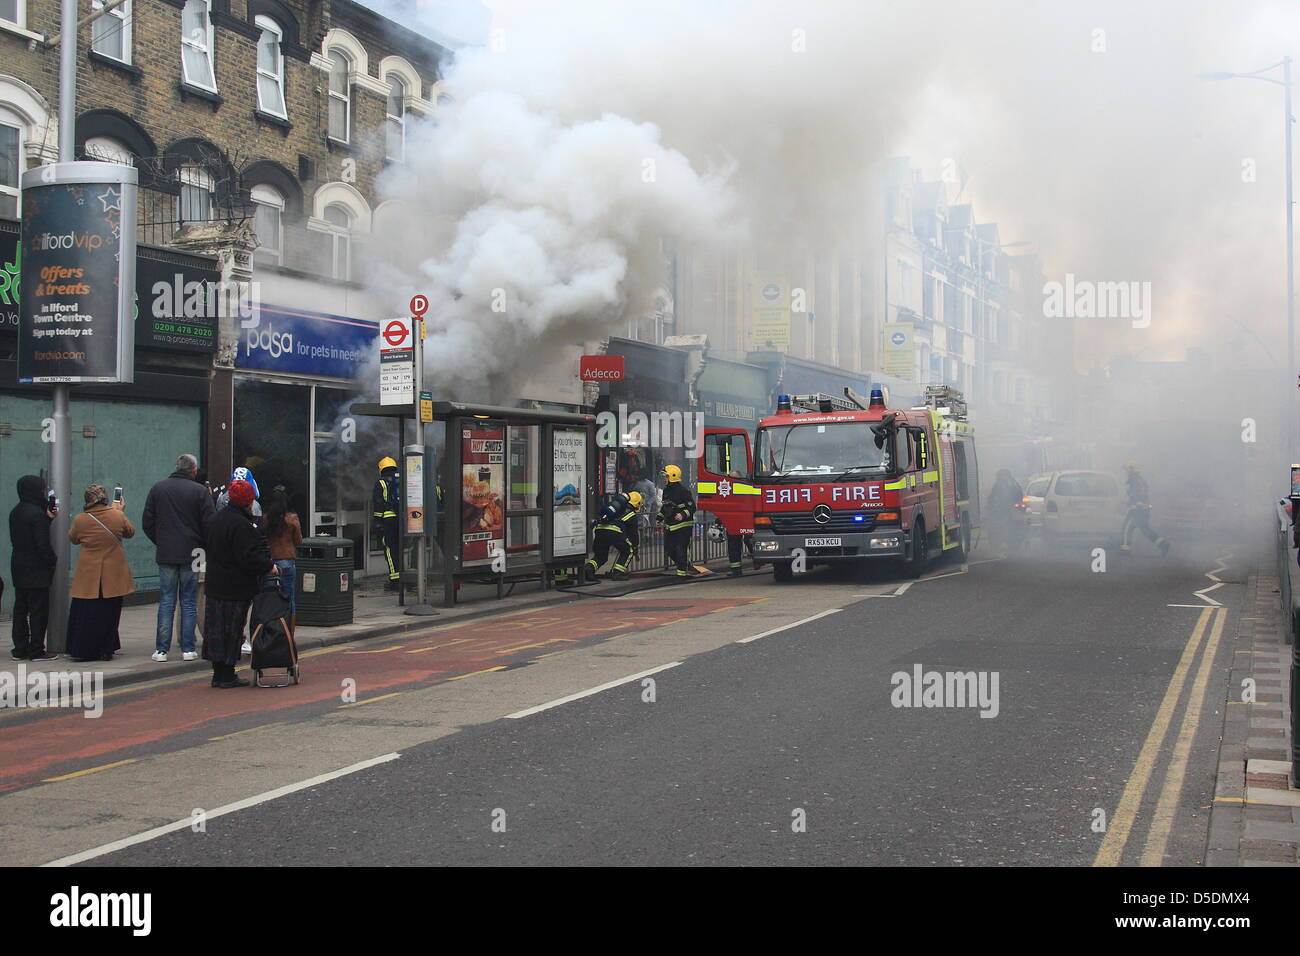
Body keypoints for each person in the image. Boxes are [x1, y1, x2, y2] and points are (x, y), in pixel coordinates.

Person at [202, 479, 275, 688]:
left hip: (215, 583)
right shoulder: (242, 525)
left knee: (215, 630)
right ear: (248, 501)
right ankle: (227, 674)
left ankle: (219, 673)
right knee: (232, 630)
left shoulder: (216, 519)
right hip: (235, 586)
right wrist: (268, 566)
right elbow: (248, 557)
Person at [142, 454, 215, 662]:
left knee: (166, 600)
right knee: (189, 601)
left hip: (166, 552)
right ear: (193, 470)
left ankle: (162, 650)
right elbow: (209, 524)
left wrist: (161, 541)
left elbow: (147, 521)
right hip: (193, 552)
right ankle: (188, 649)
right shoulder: (200, 492)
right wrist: (203, 545)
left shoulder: (158, 488)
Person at [66, 484, 135, 662]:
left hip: (88, 574)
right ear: (104, 498)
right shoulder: (116, 515)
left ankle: (83, 649)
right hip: (113, 573)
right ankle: (106, 648)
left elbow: (73, 539)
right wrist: (120, 511)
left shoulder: (81, 519)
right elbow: (130, 533)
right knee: (110, 613)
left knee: (86, 614)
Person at [9, 475, 58, 661]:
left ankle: (20, 648)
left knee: (20, 610)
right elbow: (42, 544)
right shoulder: (37, 514)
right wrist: (52, 560)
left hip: (18, 566)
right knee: (38, 611)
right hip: (36, 569)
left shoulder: (16, 511)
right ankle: (36, 649)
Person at [264, 485, 302, 635]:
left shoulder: (266, 519)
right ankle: (288, 633)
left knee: (270, 599)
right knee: (289, 599)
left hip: (270, 563)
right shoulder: (292, 519)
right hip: (287, 561)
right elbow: (298, 541)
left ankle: (272, 632)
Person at [583, 491, 642, 582]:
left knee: (600, 556)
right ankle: (618, 573)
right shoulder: (631, 515)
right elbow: (633, 534)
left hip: (600, 530)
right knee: (628, 550)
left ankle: (588, 570)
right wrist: (635, 547)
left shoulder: (615, 507)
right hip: (614, 532)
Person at [1121, 461, 1170, 556]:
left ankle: (1125, 550)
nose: (1126, 472)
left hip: (1137, 510)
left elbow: (1137, 495)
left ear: (1132, 471)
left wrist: (1133, 504)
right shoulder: (1139, 480)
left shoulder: (1135, 481)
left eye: (1127, 470)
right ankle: (1163, 544)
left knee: (1127, 528)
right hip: (1143, 510)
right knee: (1145, 529)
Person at [658, 464, 698, 577]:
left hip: (683, 527)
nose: (664, 479)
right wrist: (659, 517)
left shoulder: (683, 491)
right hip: (670, 526)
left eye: (666, 476)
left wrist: (682, 514)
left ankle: (682, 574)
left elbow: (692, 507)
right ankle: (683, 565)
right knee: (669, 550)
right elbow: (665, 507)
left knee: (681, 550)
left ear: (672, 476)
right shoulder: (666, 491)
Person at [373, 457, 401, 590]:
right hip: (401, 520)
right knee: (399, 548)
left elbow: (378, 504)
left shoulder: (381, 483)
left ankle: (395, 580)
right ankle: (403, 577)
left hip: (387, 520)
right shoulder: (400, 480)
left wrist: (378, 522)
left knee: (389, 549)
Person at [986, 469, 1023, 557]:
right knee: (1008, 527)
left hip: (1001, 511)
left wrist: (991, 506)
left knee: (996, 528)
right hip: (1010, 511)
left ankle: (996, 546)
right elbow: (1020, 495)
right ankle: (1011, 543)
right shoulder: (1015, 483)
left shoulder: (999, 484)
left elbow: (992, 497)